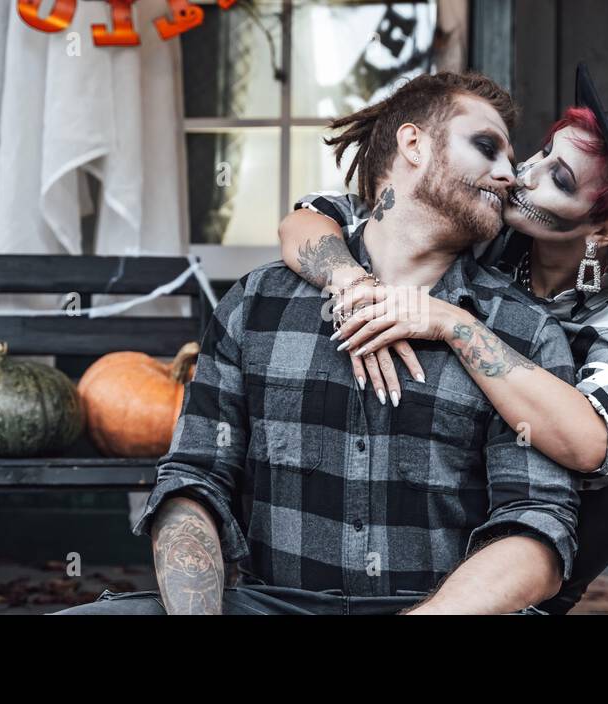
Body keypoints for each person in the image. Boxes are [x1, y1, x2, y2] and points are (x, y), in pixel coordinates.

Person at [56, 71, 580, 615]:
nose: (508, 175)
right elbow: (194, 483)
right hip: (270, 605)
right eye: (486, 146)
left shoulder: (519, 332)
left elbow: (537, 532)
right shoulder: (259, 302)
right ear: (414, 143)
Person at [275, 64, 608, 614]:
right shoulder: (486, 222)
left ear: (603, 230)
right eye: (543, 153)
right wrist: (354, 283)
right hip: (435, 480)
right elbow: (312, 218)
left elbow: (593, 442)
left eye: (560, 180)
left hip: (538, 511)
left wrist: (453, 323)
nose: (524, 175)